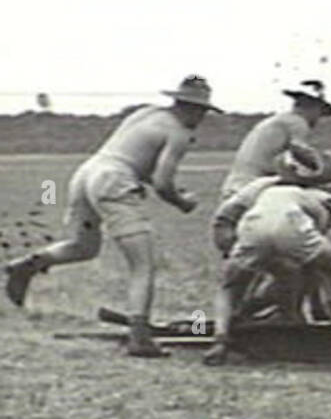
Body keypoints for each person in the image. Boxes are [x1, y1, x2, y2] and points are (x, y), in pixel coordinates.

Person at [3, 75, 221, 356]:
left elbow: (134, 161)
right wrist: (182, 203)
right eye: (202, 111)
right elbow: (164, 183)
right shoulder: (178, 133)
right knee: (144, 265)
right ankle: (139, 336)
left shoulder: (145, 114)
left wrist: (146, 183)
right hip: (113, 180)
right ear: (193, 108)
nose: (202, 118)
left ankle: (29, 264)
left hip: (87, 174)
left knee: (84, 247)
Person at [203, 171, 331, 366]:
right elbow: (315, 268)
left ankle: (221, 339)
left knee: (229, 286)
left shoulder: (267, 187)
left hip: (252, 222)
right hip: (286, 222)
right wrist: (318, 308)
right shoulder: (323, 199)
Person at [218, 79, 331, 200]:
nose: (318, 119)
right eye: (319, 113)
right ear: (313, 108)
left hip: (236, 187)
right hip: (255, 189)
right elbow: (303, 162)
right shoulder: (297, 123)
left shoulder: (278, 121)